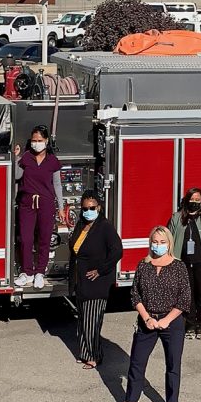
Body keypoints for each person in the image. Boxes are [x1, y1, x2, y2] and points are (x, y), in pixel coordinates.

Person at [112, 226, 191, 402]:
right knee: (137, 363)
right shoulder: (143, 265)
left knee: (173, 365)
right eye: (155, 242)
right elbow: (135, 295)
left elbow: (185, 299)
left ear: (169, 244)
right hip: (147, 321)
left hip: (171, 323)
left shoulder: (178, 267)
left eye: (162, 242)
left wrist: (166, 320)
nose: (158, 246)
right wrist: (147, 318)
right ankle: (130, 401)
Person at [69, 190, 122, 369]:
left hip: (97, 283)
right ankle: (84, 352)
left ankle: (95, 355)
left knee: (93, 321)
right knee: (83, 319)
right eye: (85, 208)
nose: (88, 211)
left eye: (91, 208)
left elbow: (117, 251)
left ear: (98, 207)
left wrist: (101, 269)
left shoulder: (105, 226)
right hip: (81, 282)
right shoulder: (81, 225)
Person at [168, 187, 201, 340]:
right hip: (183, 264)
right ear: (186, 200)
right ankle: (190, 325)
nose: (195, 202)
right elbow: (170, 239)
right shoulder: (176, 218)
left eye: (198, 200)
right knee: (187, 295)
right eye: (192, 199)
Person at [14, 125, 61, 288]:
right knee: (26, 239)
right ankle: (26, 272)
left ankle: (40, 272)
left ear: (46, 141)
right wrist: (16, 157)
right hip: (27, 202)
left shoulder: (52, 161)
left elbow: (57, 184)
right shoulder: (26, 157)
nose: (36, 143)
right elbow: (16, 176)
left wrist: (61, 207)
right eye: (34, 140)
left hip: (46, 203)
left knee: (44, 239)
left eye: (40, 140)